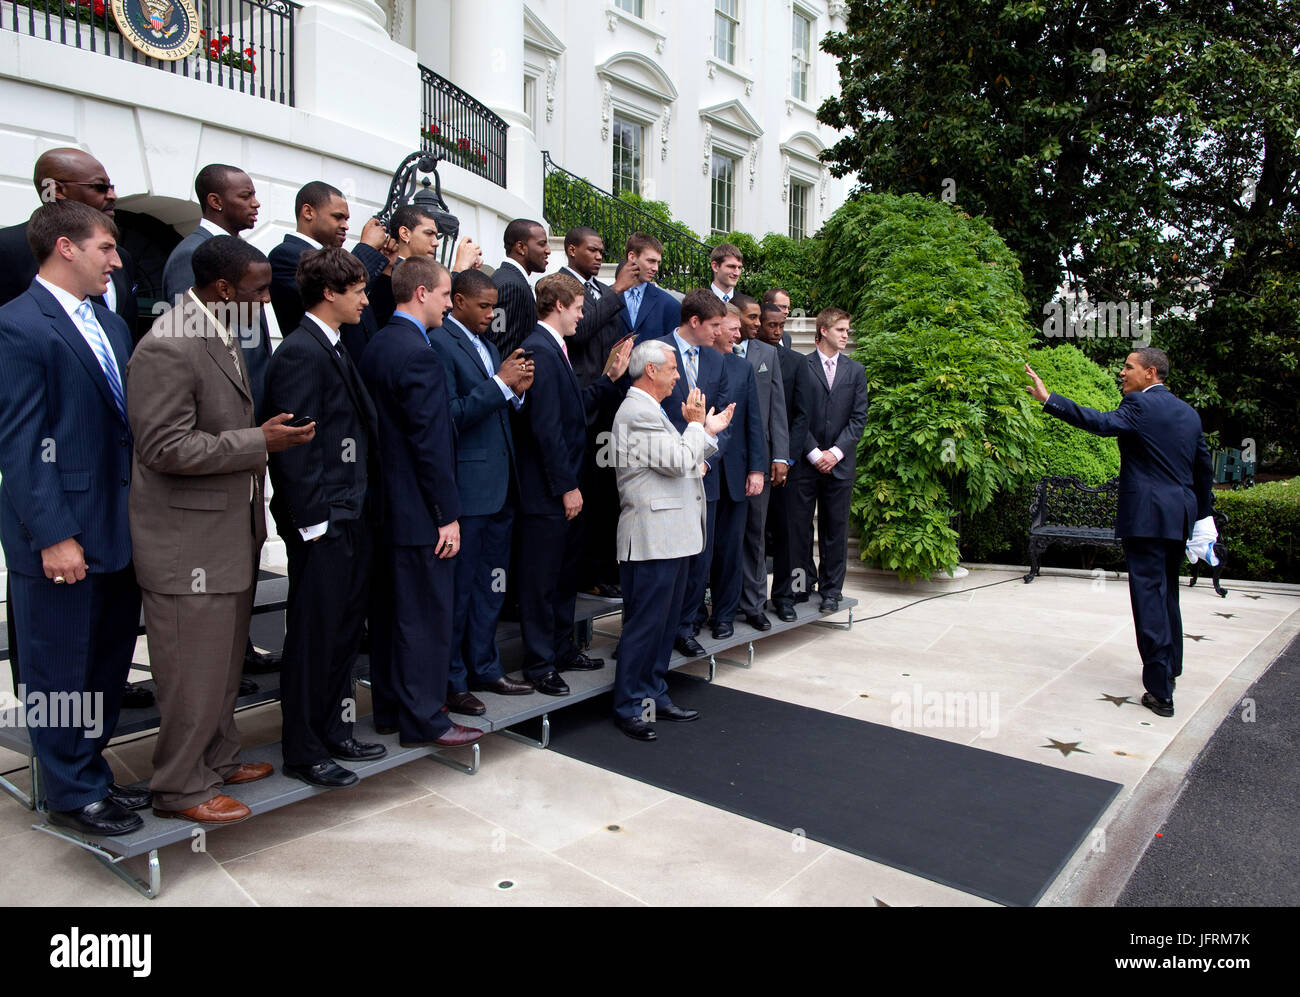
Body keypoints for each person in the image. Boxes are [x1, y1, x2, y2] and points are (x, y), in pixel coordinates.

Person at [128, 236, 314, 823]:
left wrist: (258, 432)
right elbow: (163, 447)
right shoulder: (170, 343)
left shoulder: (218, 326)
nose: (268, 300)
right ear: (225, 288)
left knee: (221, 662)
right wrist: (260, 441)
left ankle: (218, 756)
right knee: (191, 671)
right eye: (260, 290)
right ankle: (180, 786)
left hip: (227, 533)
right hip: (188, 545)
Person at [0, 201, 142, 835]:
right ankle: (72, 792)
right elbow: (22, 446)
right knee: (59, 666)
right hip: (61, 535)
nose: (116, 261)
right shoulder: (18, 326)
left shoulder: (110, 326)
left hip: (119, 526)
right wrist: (54, 536)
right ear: (66, 247)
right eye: (107, 248)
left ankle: (92, 772)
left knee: (106, 661)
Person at [1026, 348, 1214, 717]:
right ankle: (1171, 668)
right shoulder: (1189, 413)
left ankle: (1160, 692)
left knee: (1148, 600)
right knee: (1167, 594)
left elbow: (1101, 423)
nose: (1122, 373)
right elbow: (1203, 469)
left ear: (1151, 373)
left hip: (1146, 518)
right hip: (1178, 518)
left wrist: (1049, 400)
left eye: (1129, 367)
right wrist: (1201, 517)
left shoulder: (1139, 407)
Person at [265, 248, 387, 788]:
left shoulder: (331, 345)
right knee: (315, 637)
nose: (366, 298)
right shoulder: (300, 351)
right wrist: (312, 521)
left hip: (350, 514)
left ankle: (334, 732)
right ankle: (304, 747)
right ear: (329, 294)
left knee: (341, 633)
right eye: (358, 290)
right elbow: (294, 445)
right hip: (324, 522)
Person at [360, 257, 485, 748]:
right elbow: (430, 444)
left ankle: (392, 711)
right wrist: (446, 516)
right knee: (426, 619)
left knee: (394, 616)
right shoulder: (419, 353)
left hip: (386, 508)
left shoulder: (377, 345)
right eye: (444, 293)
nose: (449, 303)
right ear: (420, 295)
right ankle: (426, 720)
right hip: (418, 514)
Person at [512, 273, 631, 696]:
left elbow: (573, 406)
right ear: (559, 305)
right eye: (580, 307)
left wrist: (610, 378)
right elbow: (545, 430)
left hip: (563, 486)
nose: (584, 315)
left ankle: (561, 650)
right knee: (542, 582)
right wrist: (566, 486)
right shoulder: (539, 350)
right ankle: (539, 664)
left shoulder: (554, 349)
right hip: (547, 492)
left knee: (564, 578)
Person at [609, 341, 733, 740]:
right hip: (651, 537)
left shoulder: (652, 411)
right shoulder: (637, 412)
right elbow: (680, 461)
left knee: (663, 626)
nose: (679, 376)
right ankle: (630, 705)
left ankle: (655, 695)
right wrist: (698, 425)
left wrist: (706, 431)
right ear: (651, 371)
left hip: (673, 536)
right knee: (645, 626)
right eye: (674, 369)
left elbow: (684, 460)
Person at [430, 268, 536, 714]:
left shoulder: (491, 346)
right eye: (484, 306)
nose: (492, 315)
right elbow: (448, 415)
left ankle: (486, 666)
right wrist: (499, 385)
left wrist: (517, 392)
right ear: (456, 301)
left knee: (492, 586)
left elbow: (498, 408)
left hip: (502, 486)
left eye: (495, 306)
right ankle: (453, 681)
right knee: (461, 590)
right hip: (468, 491)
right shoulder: (438, 344)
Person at [653, 289, 732, 657]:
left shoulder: (717, 362)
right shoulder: (656, 353)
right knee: (662, 562)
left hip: (704, 477)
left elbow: (724, 421)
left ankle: (684, 627)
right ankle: (650, 632)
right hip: (663, 475)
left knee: (698, 559)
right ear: (695, 322)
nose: (721, 333)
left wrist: (705, 459)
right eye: (715, 325)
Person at [561, 225, 637, 600]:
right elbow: (577, 334)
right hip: (581, 404)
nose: (599, 256)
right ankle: (582, 574)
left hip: (607, 402)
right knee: (583, 497)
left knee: (606, 496)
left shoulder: (597, 291)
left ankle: (604, 571)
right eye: (592, 250)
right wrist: (617, 290)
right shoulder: (562, 284)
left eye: (602, 250)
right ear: (571, 250)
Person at [781, 308, 869, 616]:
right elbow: (795, 416)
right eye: (841, 329)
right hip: (806, 464)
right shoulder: (801, 366)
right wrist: (815, 453)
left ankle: (832, 591)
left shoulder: (855, 371)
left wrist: (836, 453)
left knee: (835, 530)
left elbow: (859, 419)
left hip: (840, 465)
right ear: (823, 330)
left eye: (847, 330)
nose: (846, 335)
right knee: (799, 531)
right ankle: (799, 587)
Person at [0, 148, 138, 337]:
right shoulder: (8, 248)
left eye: (112, 188)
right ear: (56, 190)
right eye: (99, 187)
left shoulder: (121, 257)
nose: (112, 196)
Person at [267, 180, 389, 361]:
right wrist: (367, 248)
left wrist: (385, 268)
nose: (346, 225)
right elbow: (334, 296)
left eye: (346, 219)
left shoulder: (339, 257)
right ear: (308, 212)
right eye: (337, 217)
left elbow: (368, 312)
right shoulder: (285, 255)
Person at [702, 305, 767, 638]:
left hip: (736, 476)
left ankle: (724, 615)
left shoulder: (743, 368)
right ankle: (693, 613)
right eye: (732, 329)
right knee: (700, 550)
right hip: (700, 473)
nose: (739, 335)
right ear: (715, 329)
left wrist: (757, 469)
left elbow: (754, 421)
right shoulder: (693, 361)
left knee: (730, 550)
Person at [733, 294, 788, 630]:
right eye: (751, 318)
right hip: (725, 457)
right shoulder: (717, 349)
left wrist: (780, 455)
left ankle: (754, 604)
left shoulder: (768, 354)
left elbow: (777, 408)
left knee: (755, 533)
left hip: (761, 457)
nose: (757, 324)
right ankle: (722, 603)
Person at [764, 303, 811, 619]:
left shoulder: (796, 362)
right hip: (752, 462)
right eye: (771, 325)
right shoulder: (746, 357)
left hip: (785, 467)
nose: (777, 331)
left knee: (787, 534)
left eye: (782, 325)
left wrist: (787, 458)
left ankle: (784, 596)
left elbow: (801, 416)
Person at [366, 203, 481, 331]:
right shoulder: (385, 273)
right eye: (429, 233)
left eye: (436, 236)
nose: (436, 243)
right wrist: (459, 268)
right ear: (405, 233)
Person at [489, 218, 549, 358]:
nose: (548, 251)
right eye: (542, 244)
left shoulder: (509, 279)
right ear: (521, 247)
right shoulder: (511, 286)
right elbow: (501, 347)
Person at [618, 233, 681, 343]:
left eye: (658, 262)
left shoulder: (670, 305)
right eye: (651, 261)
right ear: (632, 257)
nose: (655, 268)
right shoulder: (605, 298)